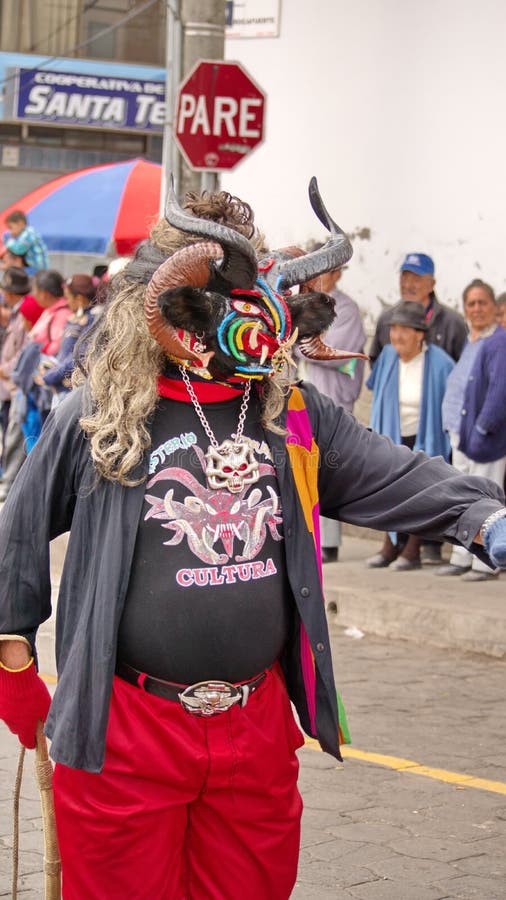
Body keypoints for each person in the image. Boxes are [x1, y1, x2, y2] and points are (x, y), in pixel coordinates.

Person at [0, 183, 505, 900]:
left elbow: (387, 470)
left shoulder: (287, 414)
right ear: (174, 307)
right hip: (126, 733)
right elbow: (17, 536)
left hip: (254, 730)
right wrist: (14, 669)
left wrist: (480, 517)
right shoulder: (100, 414)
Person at [365, 301, 454, 570]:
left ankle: (413, 548)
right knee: (388, 489)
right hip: (392, 433)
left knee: (419, 492)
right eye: (394, 329)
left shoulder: (439, 363)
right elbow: (375, 388)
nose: (397, 336)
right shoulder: (388, 356)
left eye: (404, 330)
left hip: (424, 436)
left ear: (420, 334)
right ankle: (390, 545)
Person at [437, 278, 506, 581]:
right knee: (464, 496)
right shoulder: (472, 340)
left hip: (484, 438)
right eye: (471, 304)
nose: (476, 309)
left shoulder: (499, 341)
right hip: (461, 433)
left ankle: (488, 562)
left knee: (487, 496)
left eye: (482, 303)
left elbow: (500, 391)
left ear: (494, 308)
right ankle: (462, 556)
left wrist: (482, 427)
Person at [301, 264, 366, 562]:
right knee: (306, 467)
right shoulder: (306, 301)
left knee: (329, 467)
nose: (317, 279)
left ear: (337, 274)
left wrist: (301, 341)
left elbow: (327, 352)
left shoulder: (346, 309)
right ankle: (313, 537)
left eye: (323, 273)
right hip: (305, 397)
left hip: (334, 399)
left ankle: (329, 542)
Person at [369, 253, 468, 365]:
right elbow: (375, 362)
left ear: (431, 285)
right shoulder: (386, 319)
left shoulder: (453, 322)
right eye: (404, 278)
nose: (408, 285)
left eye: (416, 280)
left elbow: (465, 366)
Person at [36, 274, 99, 408]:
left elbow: (78, 356)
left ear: (79, 299)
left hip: (71, 391)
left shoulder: (92, 321)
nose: (66, 301)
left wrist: (51, 376)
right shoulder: (77, 319)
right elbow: (64, 354)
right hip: (60, 387)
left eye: (68, 297)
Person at [0, 268, 33, 498]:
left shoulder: (24, 314)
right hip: (8, 386)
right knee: (8, 433)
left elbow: (25, 350)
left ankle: (10, 482)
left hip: (15, 385)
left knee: (15, 436)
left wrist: (4, 369)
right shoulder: (15, 312)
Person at [1, 210, 49, 274]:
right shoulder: (24, 235)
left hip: (37, 267)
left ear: (20, 224)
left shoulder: (28, 234)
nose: (10, 232)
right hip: (33, 266)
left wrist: (9, 243)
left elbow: (19, 249)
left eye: (11, 228)